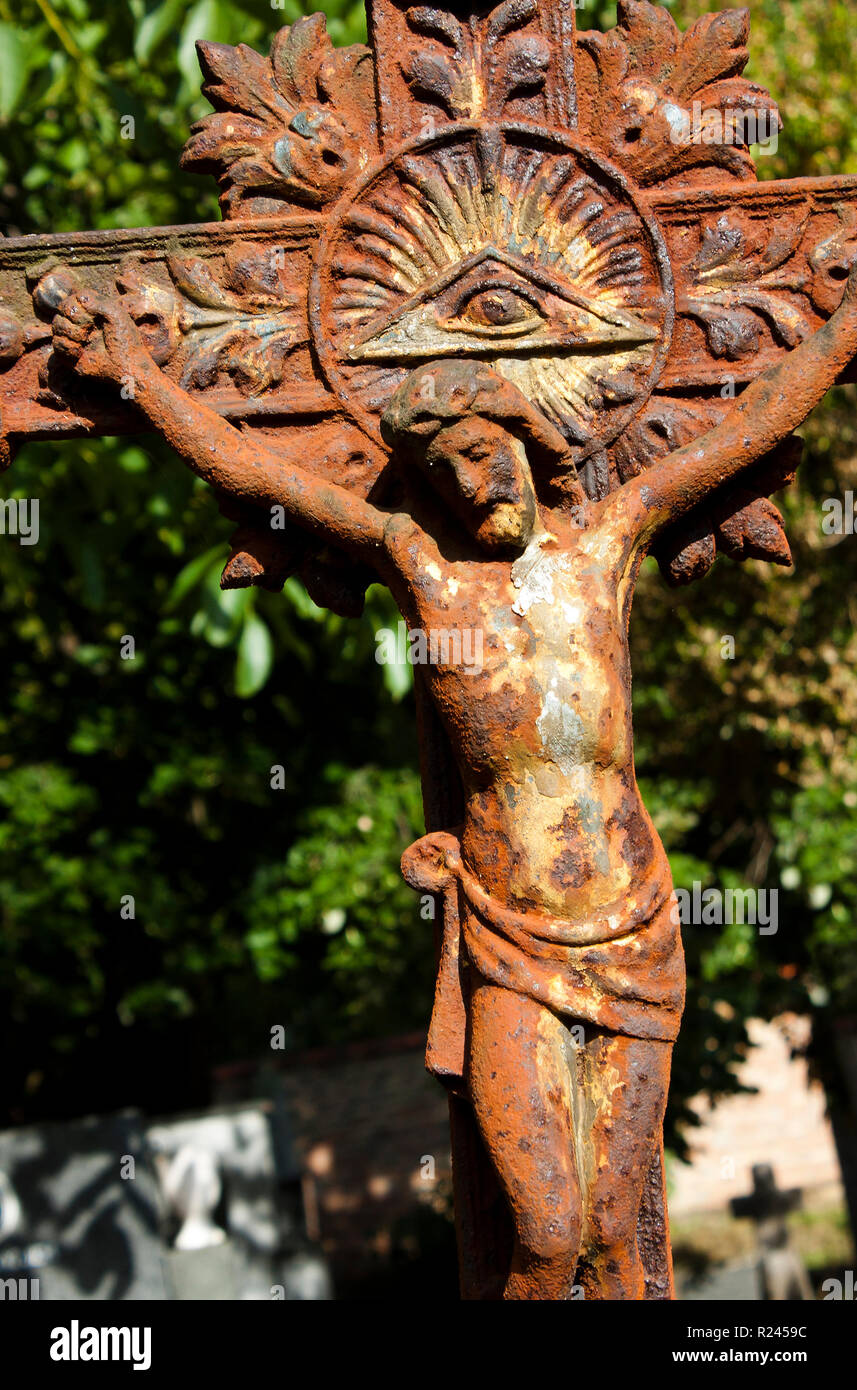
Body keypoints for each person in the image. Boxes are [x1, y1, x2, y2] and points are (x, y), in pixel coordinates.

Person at [51, 265, 857, 1297]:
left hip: (632, 923)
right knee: (547, 1230)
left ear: (524, 437)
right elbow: (260, 478)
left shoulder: (607, 542)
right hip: (505, 931)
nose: (473, 483)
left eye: (481, 452)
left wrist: (839, 336)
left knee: (615, 1229)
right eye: (444, 472)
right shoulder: (422, 571)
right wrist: (135, 379)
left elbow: (743, 434)